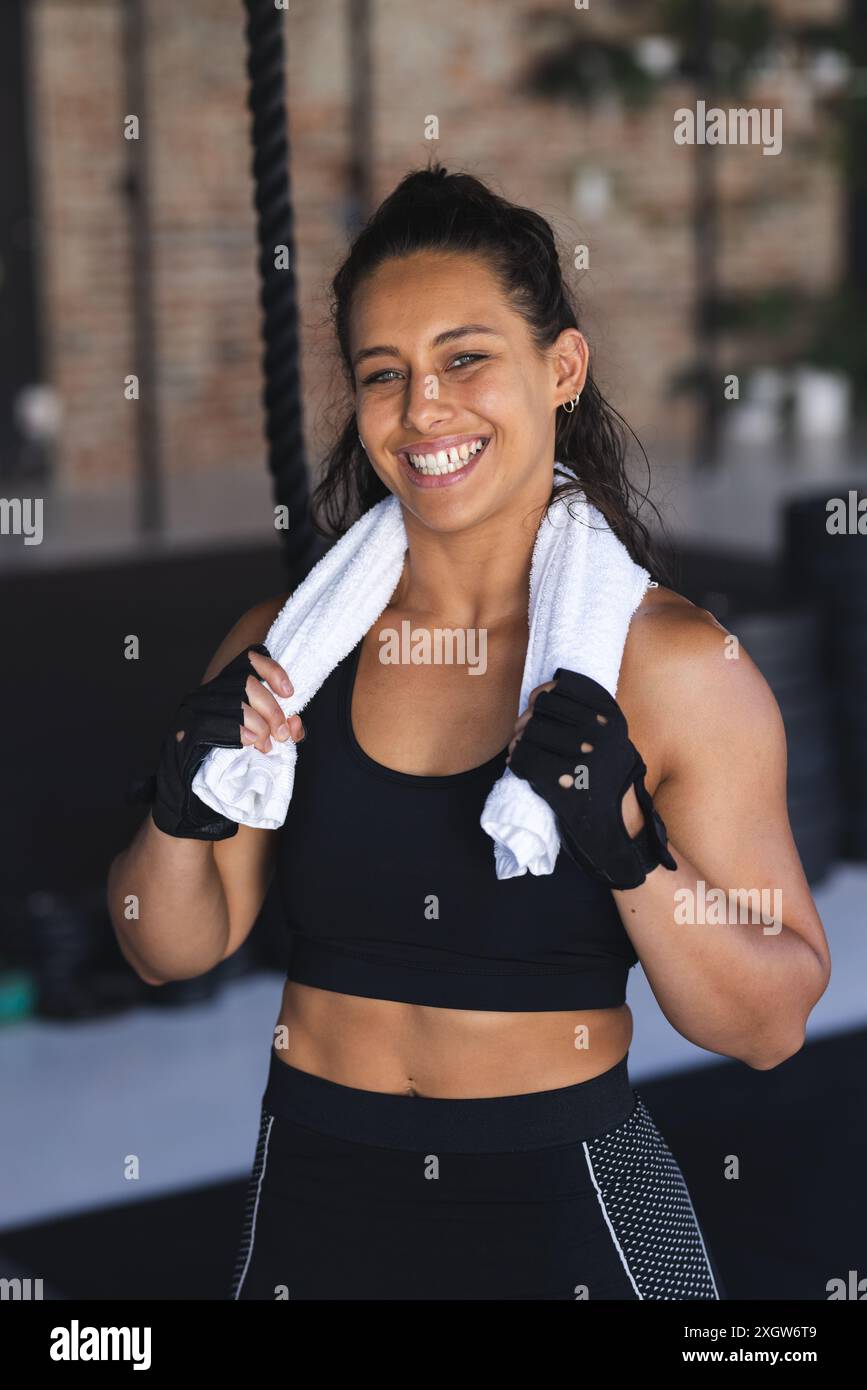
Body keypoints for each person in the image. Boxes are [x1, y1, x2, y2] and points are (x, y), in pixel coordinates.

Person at [107, 163, 831, 1301]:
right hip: (314, 1200)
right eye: (384, 374)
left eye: (466, 358)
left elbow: (775, 1022)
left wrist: (628, 845)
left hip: (563, 1213)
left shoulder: (673, 666)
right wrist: (177, 806)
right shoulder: (291, 649)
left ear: (563, 368)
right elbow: (166, 946)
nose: (425, 410)